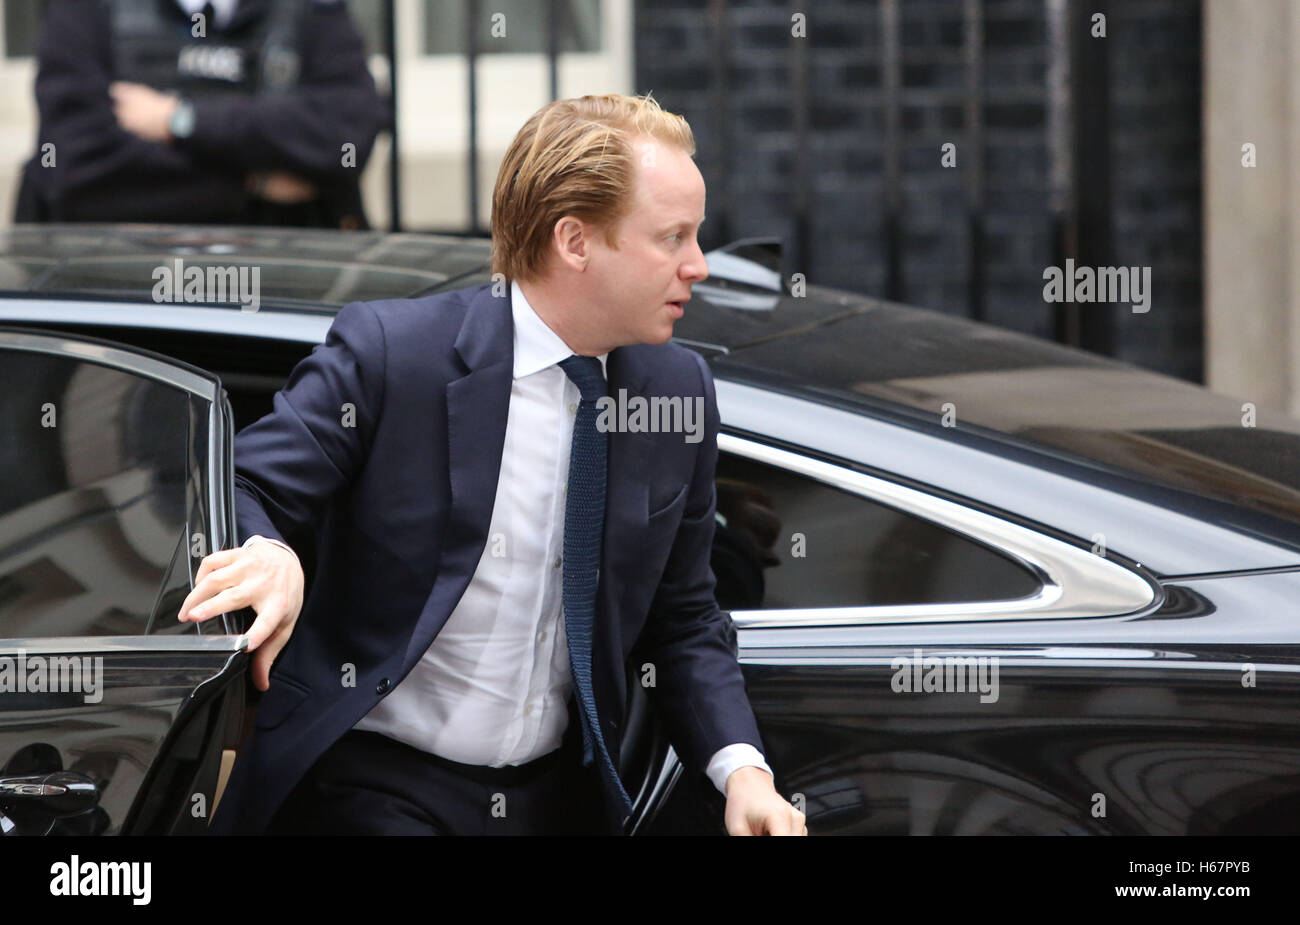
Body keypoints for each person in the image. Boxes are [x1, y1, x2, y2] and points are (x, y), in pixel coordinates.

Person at [186, 93, 807, 836]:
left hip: (561, 799)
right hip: (371, 781)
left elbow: (683, 619)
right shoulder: (395, 356)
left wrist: (744, 772)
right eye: (671, 237)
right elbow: (240, 481)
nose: (698, 265)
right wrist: (270, 549)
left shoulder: (677, 391)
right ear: (575, 241)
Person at [14, 0, 382, 228]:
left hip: (285, 293)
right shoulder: (87, 11)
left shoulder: (312, 11)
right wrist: (256, 183)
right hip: (125, 297)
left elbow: (345, 140)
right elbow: (75, 167)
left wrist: (178, 119)